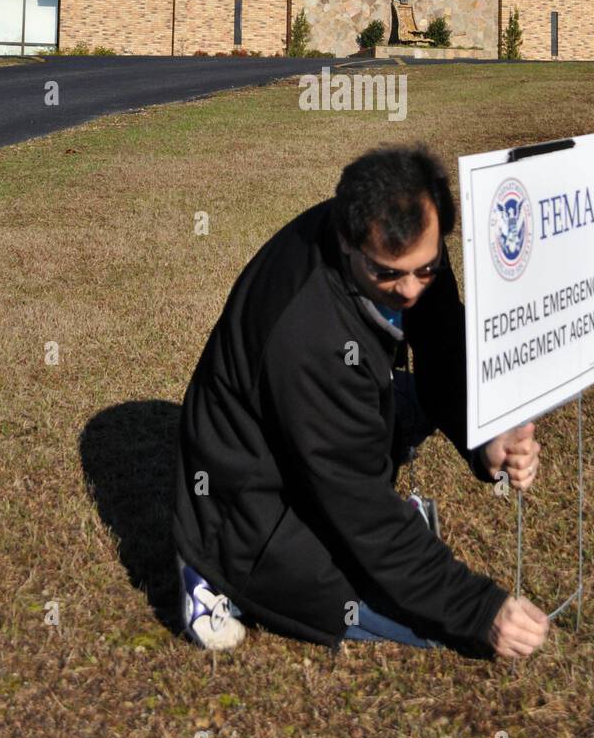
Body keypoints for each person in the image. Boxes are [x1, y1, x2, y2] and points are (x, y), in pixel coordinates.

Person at [172, 144, 549, 660]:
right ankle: (214, 571)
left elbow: (441, 347)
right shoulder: (308, 337)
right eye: (389, 275)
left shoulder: (405, 241)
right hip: (252, 501)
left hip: (314, 424)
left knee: (406, 402)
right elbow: (363, 513)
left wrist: (485, 436)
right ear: (349, 241)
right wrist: (479, 610)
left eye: (426, 269)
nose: (412, 289)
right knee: (415, 616)